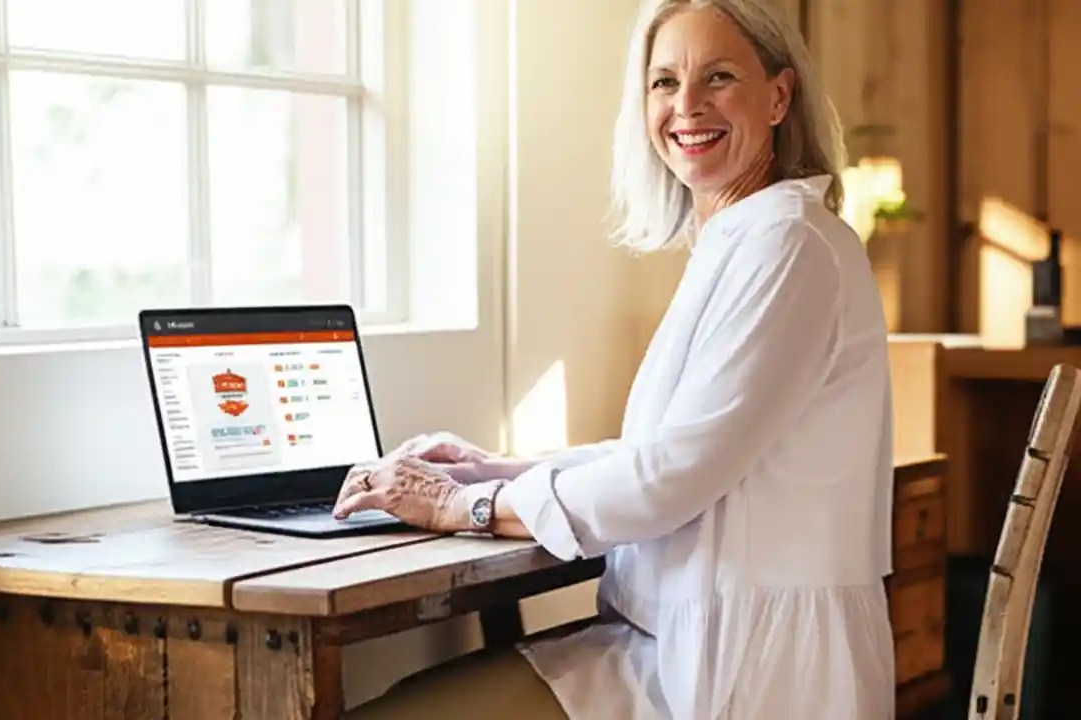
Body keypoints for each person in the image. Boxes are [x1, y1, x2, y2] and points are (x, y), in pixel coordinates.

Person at [334, 0, 895, 717]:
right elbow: (660, 455)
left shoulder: (790, 246)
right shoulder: (747, 240)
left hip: (747, 668)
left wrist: (460, 505)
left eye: (718, 77)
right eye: (665, 82)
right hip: (678, 644)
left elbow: (668, 479)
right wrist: (496, 471)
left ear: (779, 96)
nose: (686, 105)